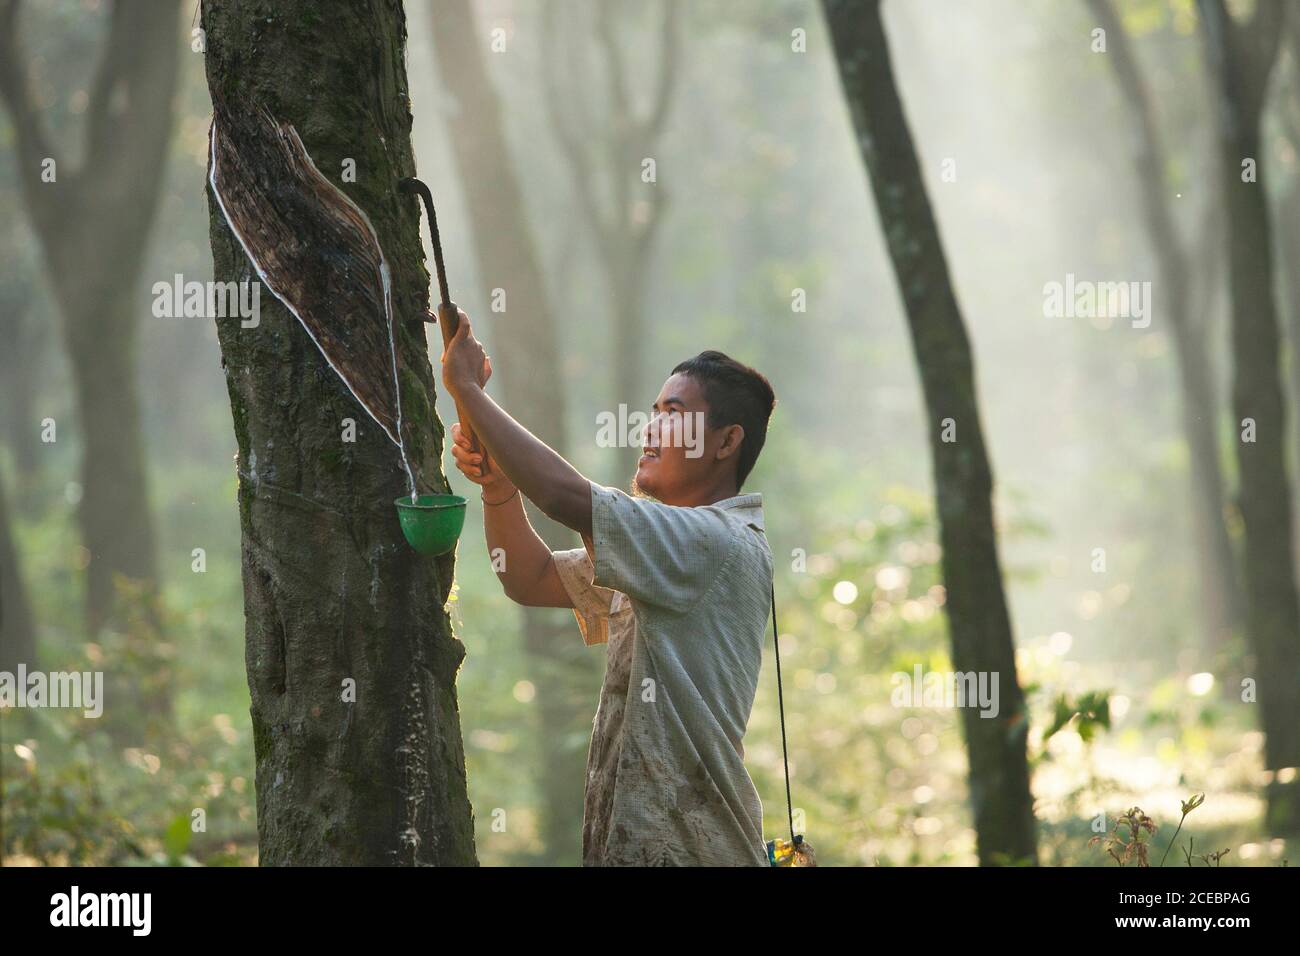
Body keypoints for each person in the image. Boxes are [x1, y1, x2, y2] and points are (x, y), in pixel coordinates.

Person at [441, 309, 777, 866]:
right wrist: (499, 486)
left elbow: (566, 498)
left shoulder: (715, 540)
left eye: (674, 413)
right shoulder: (661, 549)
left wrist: (468, 389)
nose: (650, 428)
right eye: (653, 412)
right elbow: (531, 577)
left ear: (726, 442)